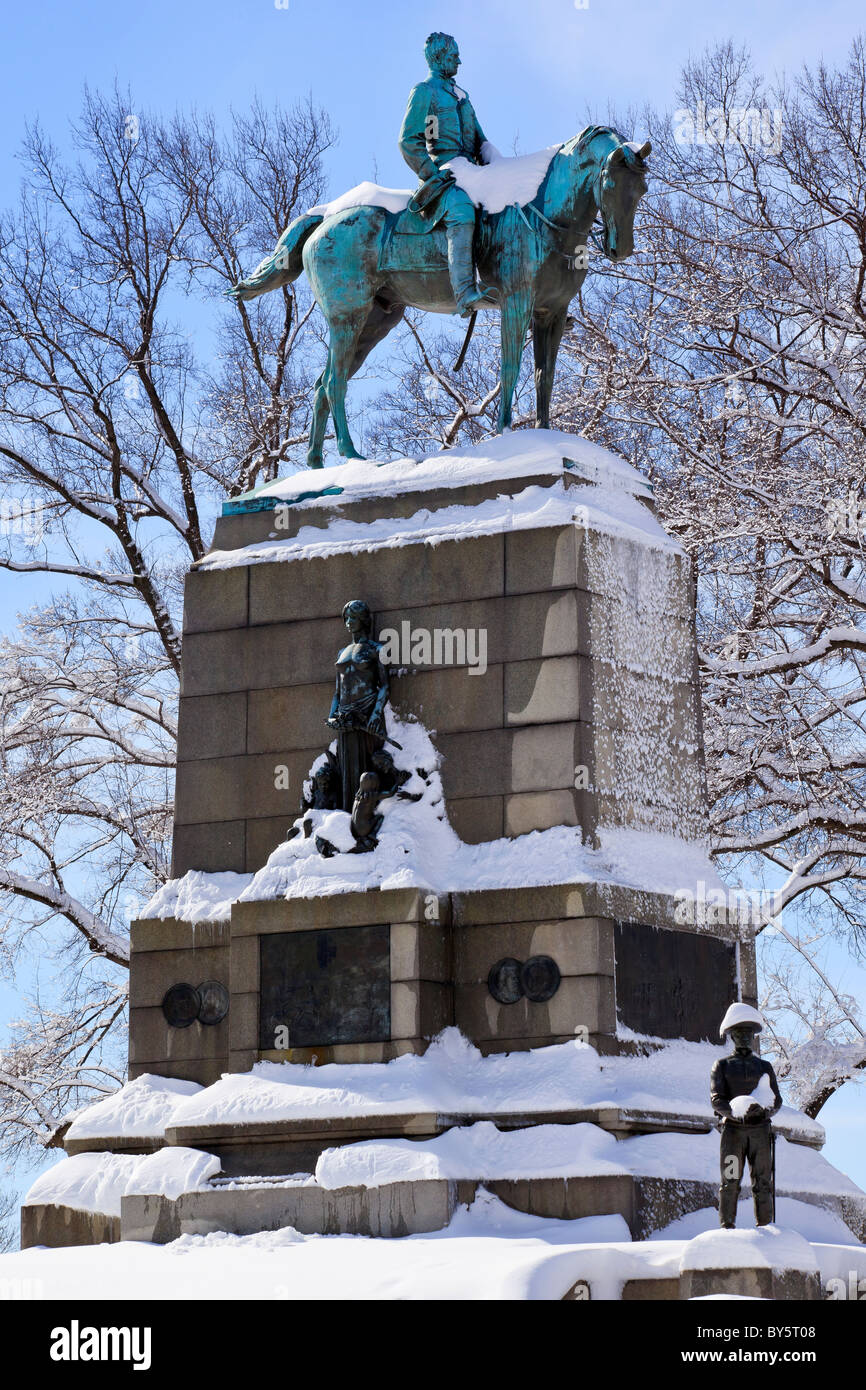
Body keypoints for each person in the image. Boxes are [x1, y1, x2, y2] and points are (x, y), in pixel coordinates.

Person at [399, 31, 499, 316]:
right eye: (455, 56)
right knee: (462, 211)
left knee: (510, 208)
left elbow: (481, 141)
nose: (460, 61)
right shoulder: (424, 92)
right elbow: (409, 141)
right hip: (444, 178)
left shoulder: (463, 98)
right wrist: (432, 173)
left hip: (473, 172)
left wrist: (501, 165)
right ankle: (465, 292)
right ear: (440, 58)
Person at [710, 1003, 783, 1227]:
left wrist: (764, 1111)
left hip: (760, 1133)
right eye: (739, 1034)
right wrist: (734, 1113)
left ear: (753, 1037)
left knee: (763, 1180)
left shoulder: (764, 1066)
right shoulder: (722, 1065)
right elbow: (716, 1099)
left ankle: (765, 1226)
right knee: (730, 1180)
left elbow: (776, 1100)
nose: (744, 1038)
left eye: (748, 1034)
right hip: (733, 1134)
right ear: (732, 1036)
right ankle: (726, 1227)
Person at [327, 600, 389, 812]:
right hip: (345, 718)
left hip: (366, 715)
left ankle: (365, 813)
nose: (349, 622)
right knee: (346, 768)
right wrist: (332, 716)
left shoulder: (377, 650)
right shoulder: (341, 652)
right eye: (347, 618)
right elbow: (337, 691)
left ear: (363, 620)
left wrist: (375, 715)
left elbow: (384, 686)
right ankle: (346, 815)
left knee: (365, 766)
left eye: (353, 618)